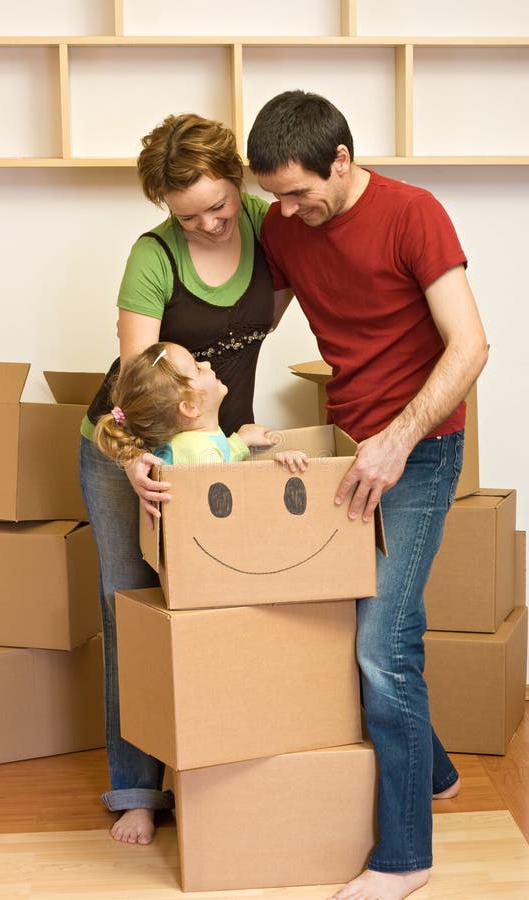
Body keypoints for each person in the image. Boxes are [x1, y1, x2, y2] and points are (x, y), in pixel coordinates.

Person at [245, 91, 488, 900]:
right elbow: (258, 324)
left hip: (421, 451)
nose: (283, 210)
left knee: (382, 645)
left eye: (298, 191)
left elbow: (470, 345)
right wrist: (224, 424)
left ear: (341, 161)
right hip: (348, 448)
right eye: (274, 194)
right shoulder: (285, 226)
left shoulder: (415, 214)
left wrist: (399, 436)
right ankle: (440, 775)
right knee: (365, 630)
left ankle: (406, 856)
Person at [79, 113, 291, 845]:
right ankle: (136, 790)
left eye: (217, 207)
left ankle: (231, 769)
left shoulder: (274, 222)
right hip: (129, 450)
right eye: (187, 214)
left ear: (239, 179)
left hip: (219, 449)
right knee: (131, 612)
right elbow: (134, 387)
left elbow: (293, 301)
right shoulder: (153, 256)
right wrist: (137, 462)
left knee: (233, 608)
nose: (205, 224)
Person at [93, 341, 308, 469]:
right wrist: (277, 469)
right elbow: (232, 492)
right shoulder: (195, 454)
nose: (207, 364)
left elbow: (219, 456)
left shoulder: (195, 443)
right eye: (197, 369)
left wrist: (240, 441)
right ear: (190, 407)